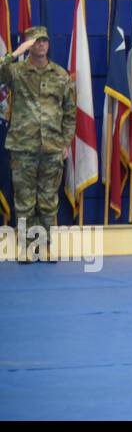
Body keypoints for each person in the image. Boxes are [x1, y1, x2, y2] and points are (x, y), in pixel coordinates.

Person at [0, 26, 74, 262]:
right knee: (24, 202)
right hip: (23, 148)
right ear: (28, 44)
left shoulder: (61, 75)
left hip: (52, 149)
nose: (41, 45)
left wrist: (65, 142)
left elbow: (70, 114)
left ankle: (46, 246)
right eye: (35, 41)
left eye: (44, 41)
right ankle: (25, 247)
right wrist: (15, 52)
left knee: (48, 201)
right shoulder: (17, 72)